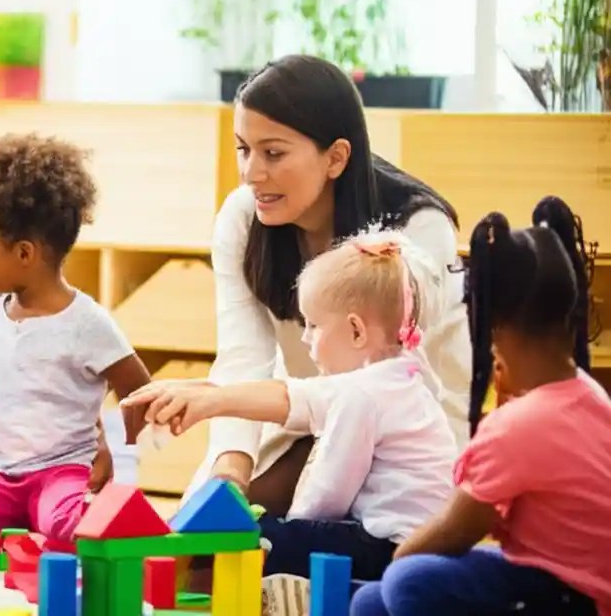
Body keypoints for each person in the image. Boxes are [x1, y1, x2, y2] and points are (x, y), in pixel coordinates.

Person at [192, 55, 470, 518]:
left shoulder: (418, 227)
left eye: (273, 153)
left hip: (404, 434)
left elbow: (424, 384)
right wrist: (229, 472)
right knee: (201, 540)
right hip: (298, 411)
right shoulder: (242, 218)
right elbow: (243, 356)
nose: (251, 173)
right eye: (244, 149)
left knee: (313, 537)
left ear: (337, 156)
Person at [123, 231, 457, 595]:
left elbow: (329, 493)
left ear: (356, 331)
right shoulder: (400, 374)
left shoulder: (361, 395)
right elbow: (291, 398)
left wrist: (289, 530)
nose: (305, 338)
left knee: (263, 534)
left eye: (313, 326)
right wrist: (208, 396)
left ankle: (182, 583)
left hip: (387, 549)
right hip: (406, 544)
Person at [351, 197, 610, 616]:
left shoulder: (519, 425)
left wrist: (400, 559)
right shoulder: (590, 396)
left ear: (496, 329)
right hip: (557, 580)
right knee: (369, 603)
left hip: (569, 597)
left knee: (405, 580)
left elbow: (455, 530)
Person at [0, 133, 152, 545]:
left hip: (61, 472)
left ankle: (114, 522)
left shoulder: (87, 323)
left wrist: (113, 450)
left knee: (73, 528)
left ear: (25, 254)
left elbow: (139, 391)